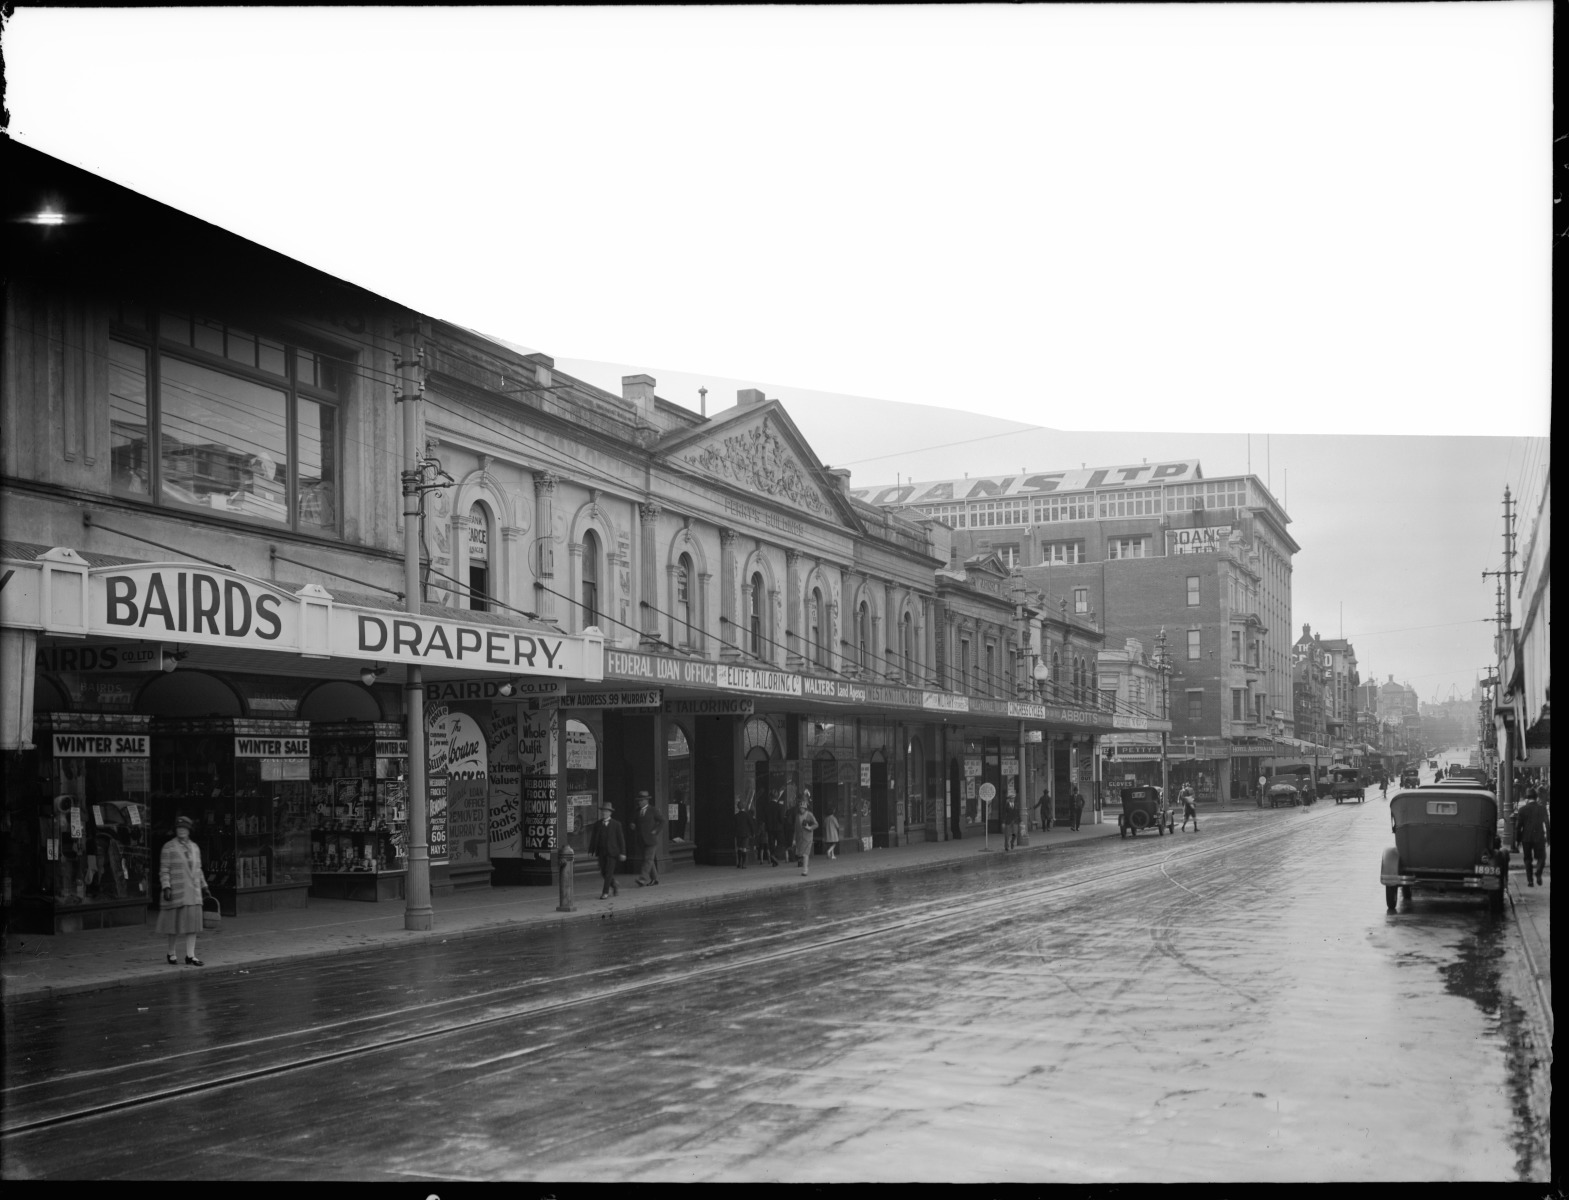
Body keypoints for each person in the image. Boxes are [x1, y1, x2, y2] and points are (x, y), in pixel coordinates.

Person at [157, 815, 210, 966]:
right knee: (173, 926)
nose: (181, 831)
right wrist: (166, 886)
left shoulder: (195, 847)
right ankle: (171, 952)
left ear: (189, 830)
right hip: (177, 892)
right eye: (179, 828)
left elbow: (198, 870)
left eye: (184, 828)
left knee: (192, 925)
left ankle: (190, 956)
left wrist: (204, 886)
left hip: (193, 893)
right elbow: (164, 870)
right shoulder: (169, 847)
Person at [588, 801, 626, 899]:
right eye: (603, 811)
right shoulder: (598, 824)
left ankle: (605, 892)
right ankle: (614, 884)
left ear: (610, 813)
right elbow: (594, 838)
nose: (604, 813)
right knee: (603, 872)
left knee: (609, 872)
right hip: (601, 852)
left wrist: (623, 853)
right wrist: (591, 850)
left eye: (606, 812)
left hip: (612, 853)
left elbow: (621, 840)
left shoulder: (616, 824)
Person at [1514, 787, 1549, 887]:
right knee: (1541, 857)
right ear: (1536, 797)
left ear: (1527, 798)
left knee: (1527, 859)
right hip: (1539, 837)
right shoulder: (1542, 809)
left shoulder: (1522, 810)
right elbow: (1547, 823)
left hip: (1526, 838)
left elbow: (1518, 827)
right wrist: (1549, 838)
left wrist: (1518, 840)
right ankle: (1538, 872)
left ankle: (1530, 881)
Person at [632, 790, 665, 886]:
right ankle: (654, 879)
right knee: (648, 860)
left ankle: (642, 879)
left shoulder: (653, 810)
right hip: (641, 840)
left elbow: (662, 821)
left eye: (641, 800)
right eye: (639, 800)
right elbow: (634, 820)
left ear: (646, 800)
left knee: (648, 860)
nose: (639, 802)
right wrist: (633, 824)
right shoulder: (637, 811)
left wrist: (656, 830)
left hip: (651, 840)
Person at [790, 791, 820, 876]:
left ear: (805, 808)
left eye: (802, 808)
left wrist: (810, 828)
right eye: (800, 808)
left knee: (805, 854)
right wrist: (794, 839)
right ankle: (805, 867)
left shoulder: (809, 815)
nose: (801, 809)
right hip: (800, 838)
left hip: (808, 837)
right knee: (801, 854)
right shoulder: (797, 817)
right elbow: (796, 829)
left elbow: (816, 824)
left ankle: (805, 870)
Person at [761, 789, 786, 866]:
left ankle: (774, 861)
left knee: (771, 844)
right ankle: (775, 855)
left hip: (769, 828)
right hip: (778, 828)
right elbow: (781, 818)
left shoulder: (766, 807)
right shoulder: (780, 807)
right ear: (777, 797)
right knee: (781, 843)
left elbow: (764, 818)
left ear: (770, 797)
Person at [733, 797, 756, 869]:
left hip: (738, 834)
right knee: (744, 848)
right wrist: (753, 833)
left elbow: (734, 826)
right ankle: (743, 864)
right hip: (746, 834)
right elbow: (751, 824)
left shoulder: (736, 816)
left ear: (738, 807)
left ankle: (739, 863)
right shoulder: (747, 815)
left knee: (739, 848)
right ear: (744, 807)